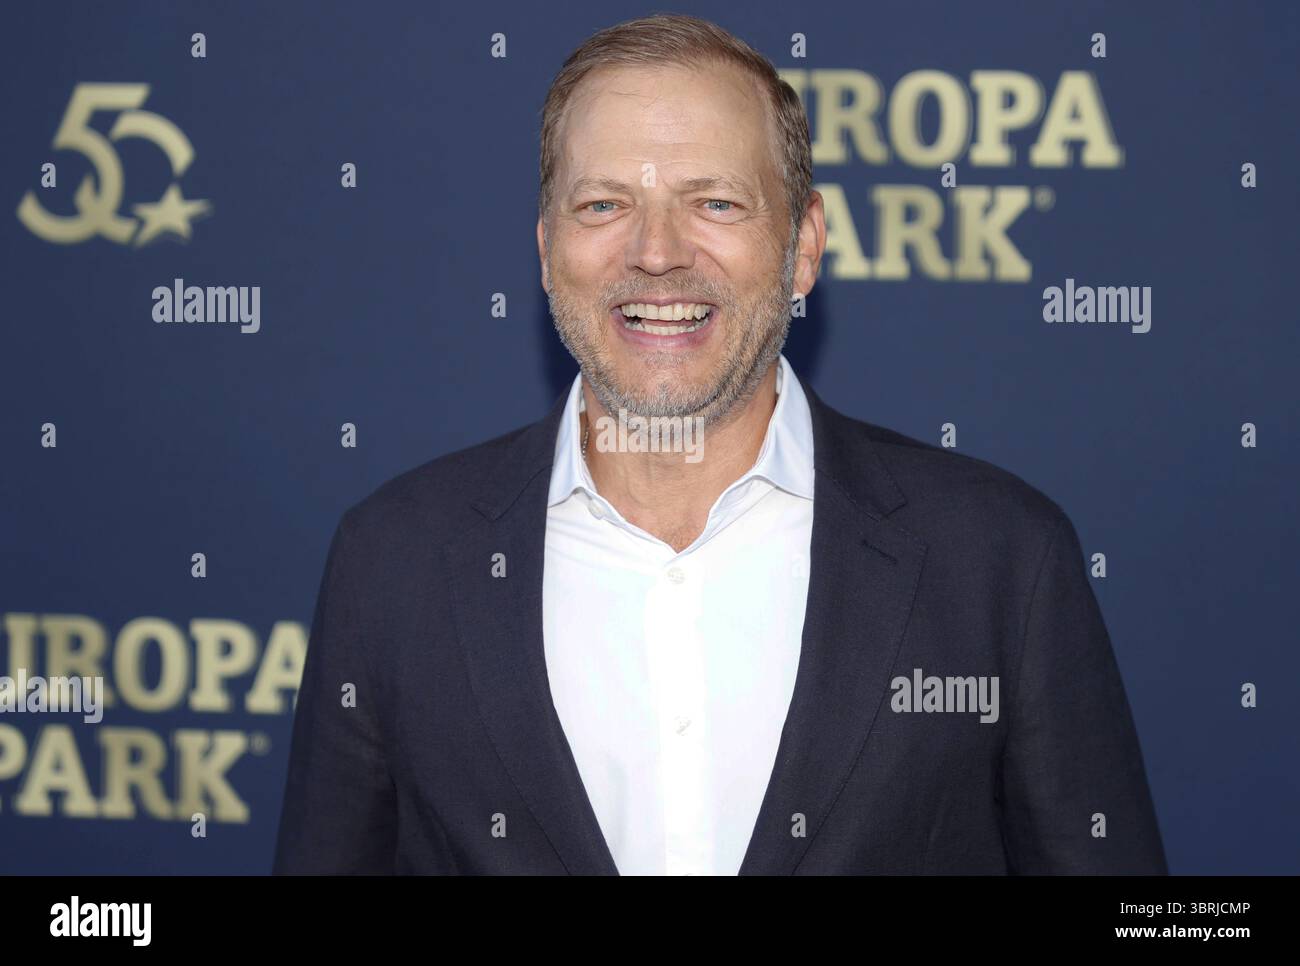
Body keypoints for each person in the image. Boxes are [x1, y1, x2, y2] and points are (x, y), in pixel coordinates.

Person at [273, 13, 1166, 875]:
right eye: (604, 203)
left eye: (716, 201)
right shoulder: (393, 562)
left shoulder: (1001, 558)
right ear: (547, 251)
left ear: (803, 245)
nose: (656, 252)